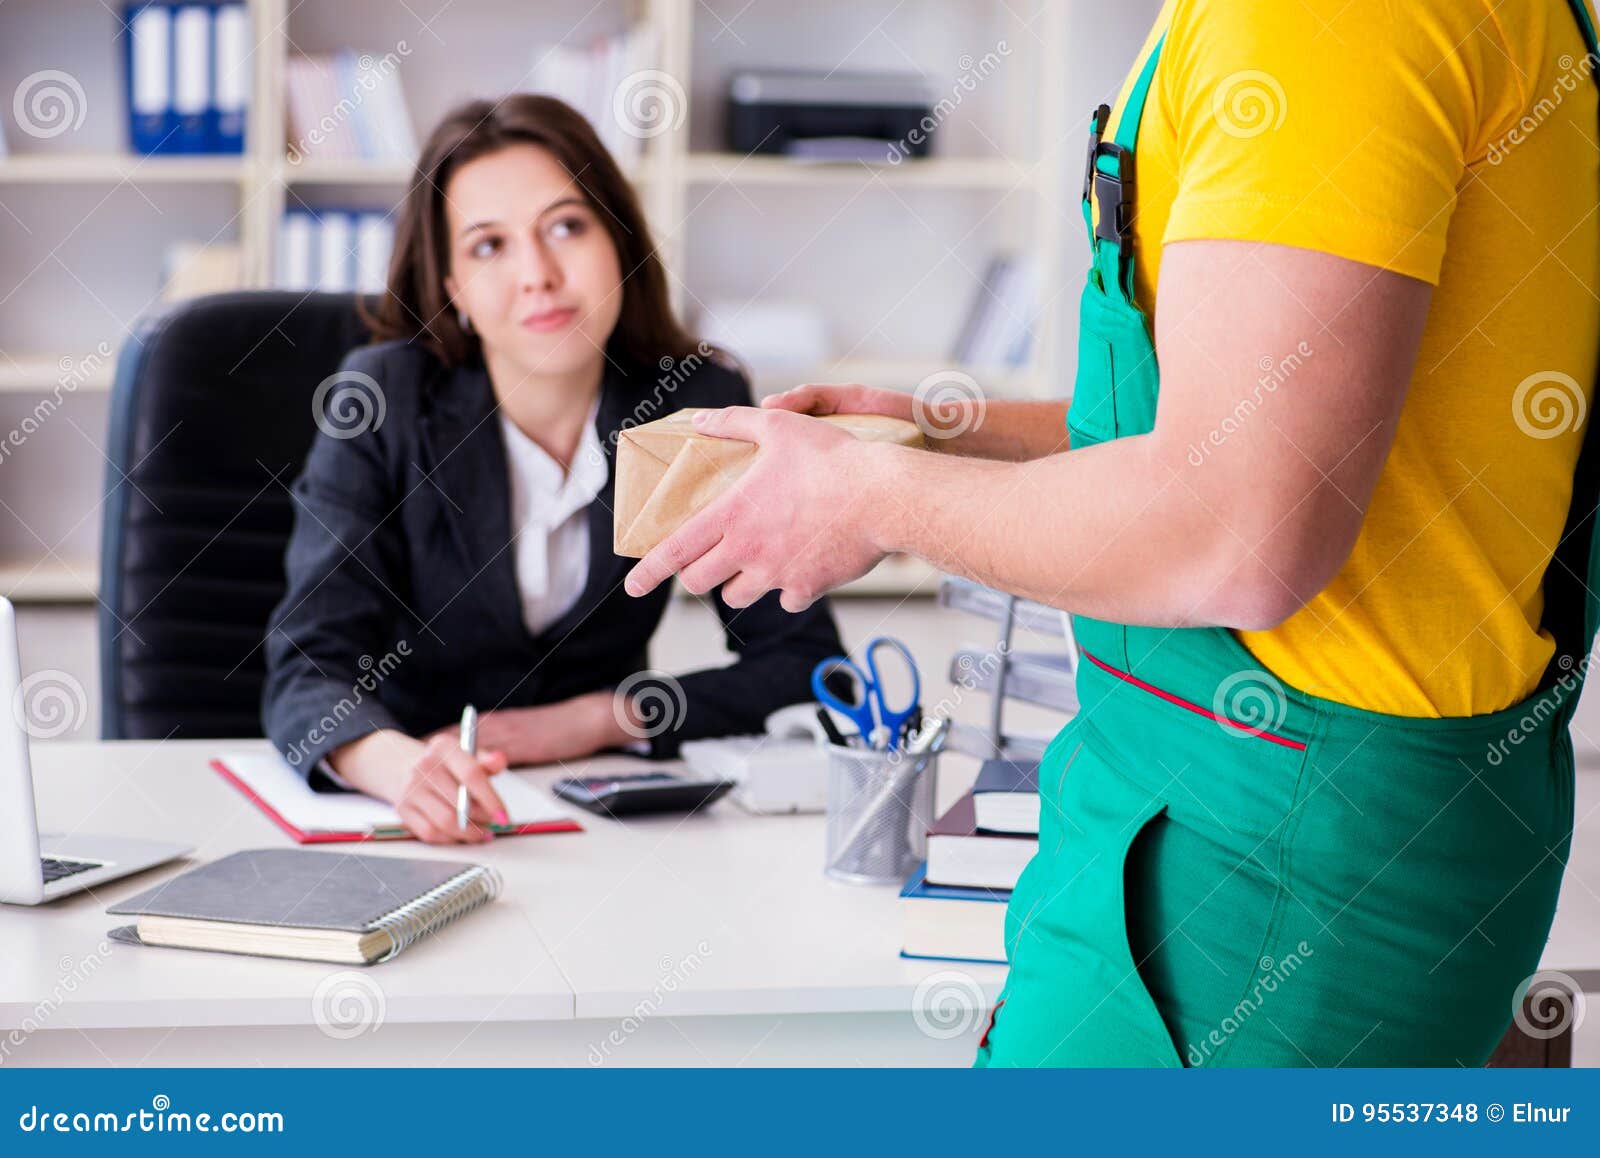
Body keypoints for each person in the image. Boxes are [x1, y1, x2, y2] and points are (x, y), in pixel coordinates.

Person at [625, 0, 1600, 1066]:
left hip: (1255, 879)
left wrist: (866, 498)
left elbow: (1234, 532)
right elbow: (1246, 423)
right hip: (1290, 828)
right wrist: (932, 440)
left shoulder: (1320, 23)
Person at [262, 95, 843, 844]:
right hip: (413, 821)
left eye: (566, 227)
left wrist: (596, 719)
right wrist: (391, 765)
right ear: (450, 288)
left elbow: (808, 663)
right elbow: (306, 664)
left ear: (617, 241)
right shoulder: (382, 401)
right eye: (487, 247)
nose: (537, 273)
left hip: (609, 822)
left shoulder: (697, 405)